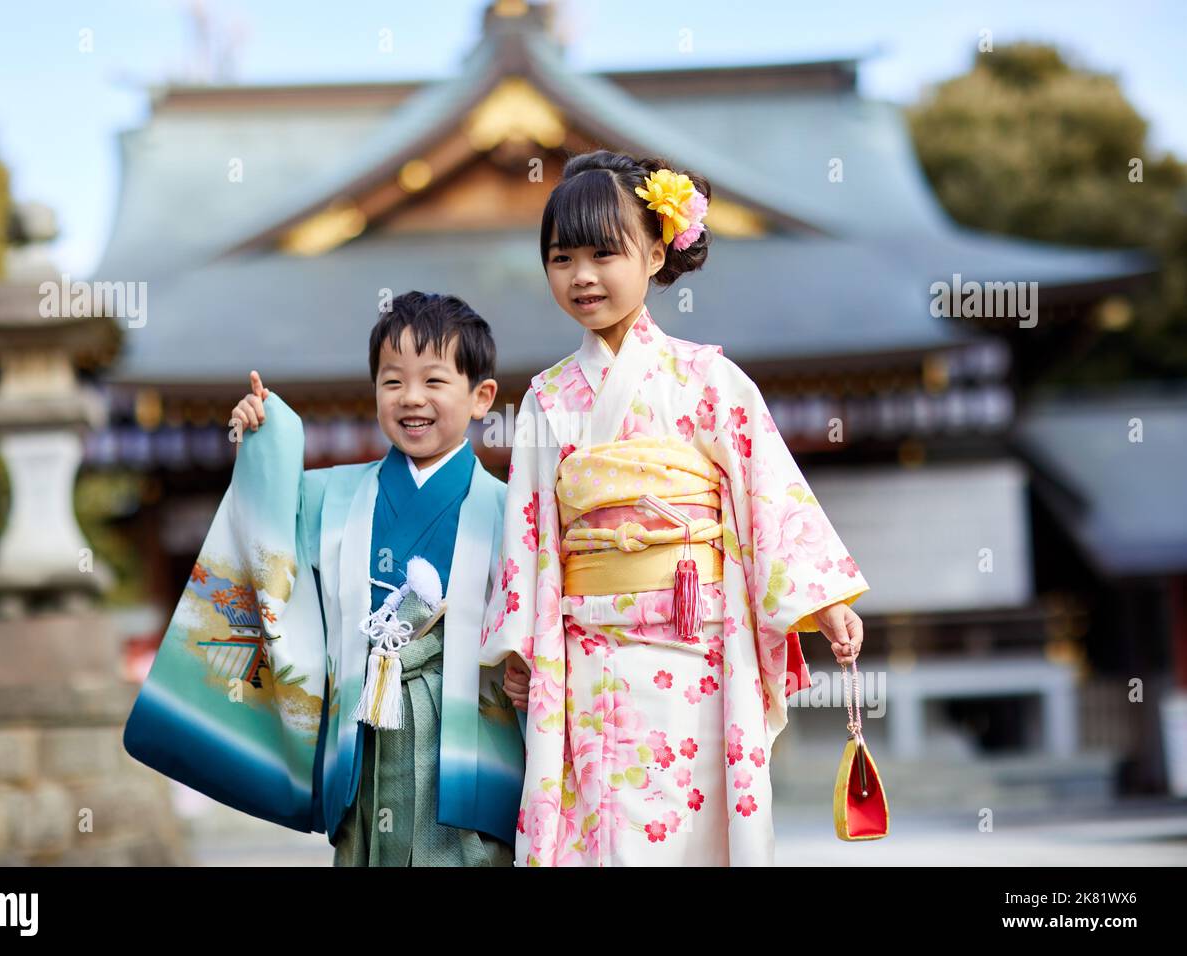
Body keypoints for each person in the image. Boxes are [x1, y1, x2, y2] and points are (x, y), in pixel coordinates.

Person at [481, 150, 870, 866]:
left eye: (605, 253)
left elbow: (767, 494)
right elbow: (529, 534)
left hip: (702, 652)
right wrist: (520, 644)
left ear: (657, 252)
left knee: (698, 830)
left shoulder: (709, 378)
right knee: (601, 832)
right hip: (588, 658)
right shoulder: (547, 398)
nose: (583, 276)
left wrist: (824, 601)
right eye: (562, 258)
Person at [124, 291, 524, 866]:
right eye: (392, 382)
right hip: (364, 733)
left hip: (466, 744)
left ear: (482, 395)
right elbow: (269, 533)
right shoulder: (332, 496)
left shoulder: (513, 511)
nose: (412, 399)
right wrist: (264, 441)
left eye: (434, 382)